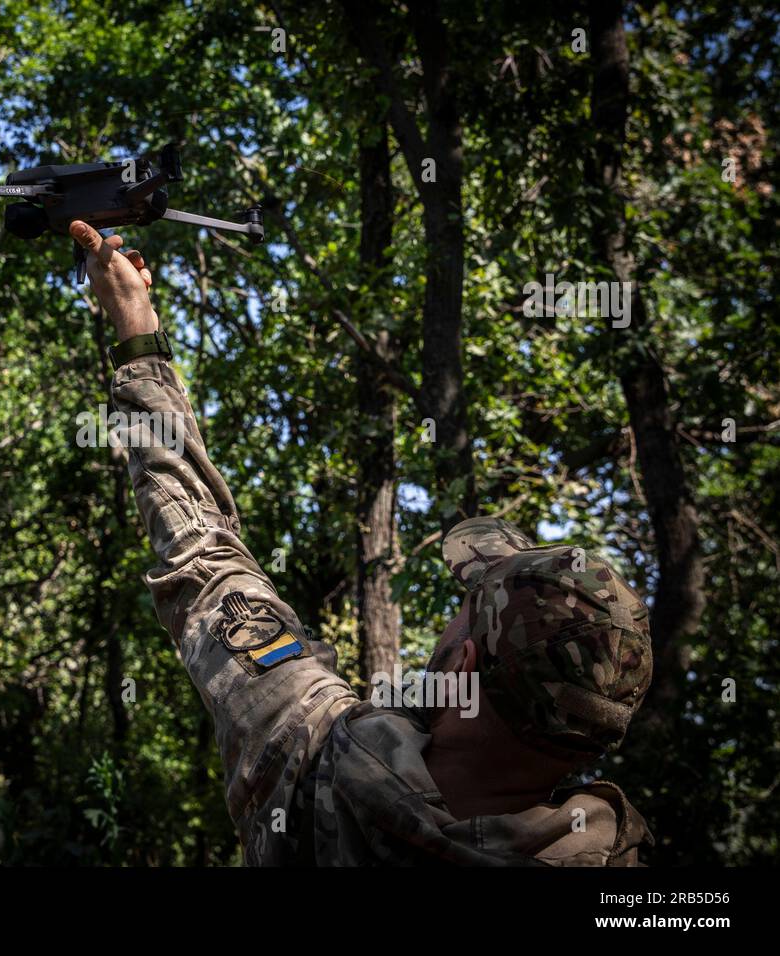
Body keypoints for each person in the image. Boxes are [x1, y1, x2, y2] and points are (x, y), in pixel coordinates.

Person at [71, 219, 656, 866]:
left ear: (462, 670)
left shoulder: (316, 766)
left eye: (461, 611)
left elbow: (202, 557)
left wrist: (136, 331)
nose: (447, 624)